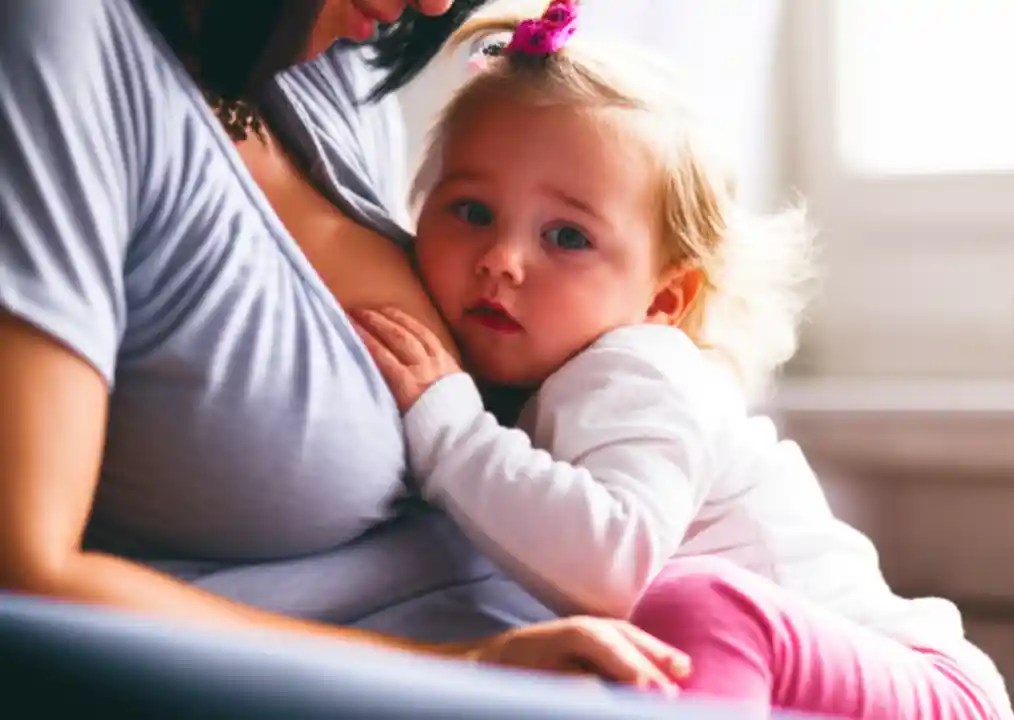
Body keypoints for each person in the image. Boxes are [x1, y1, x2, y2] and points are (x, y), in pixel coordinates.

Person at [0, 0, 690, 694]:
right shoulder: (59, 41)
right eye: (474, 213)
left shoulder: (339, 65)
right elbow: (26, 573)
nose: (434, 6)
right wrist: (463, 668)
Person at [352, 2, 1014, 717]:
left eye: (568, 238)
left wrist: (447, 425)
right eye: (471, 212)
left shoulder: (639, 369)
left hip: (923, 687)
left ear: (664, 301)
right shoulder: (529, 379)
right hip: (803, 685)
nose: (501, 261)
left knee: (694, 599)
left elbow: (612, 565)